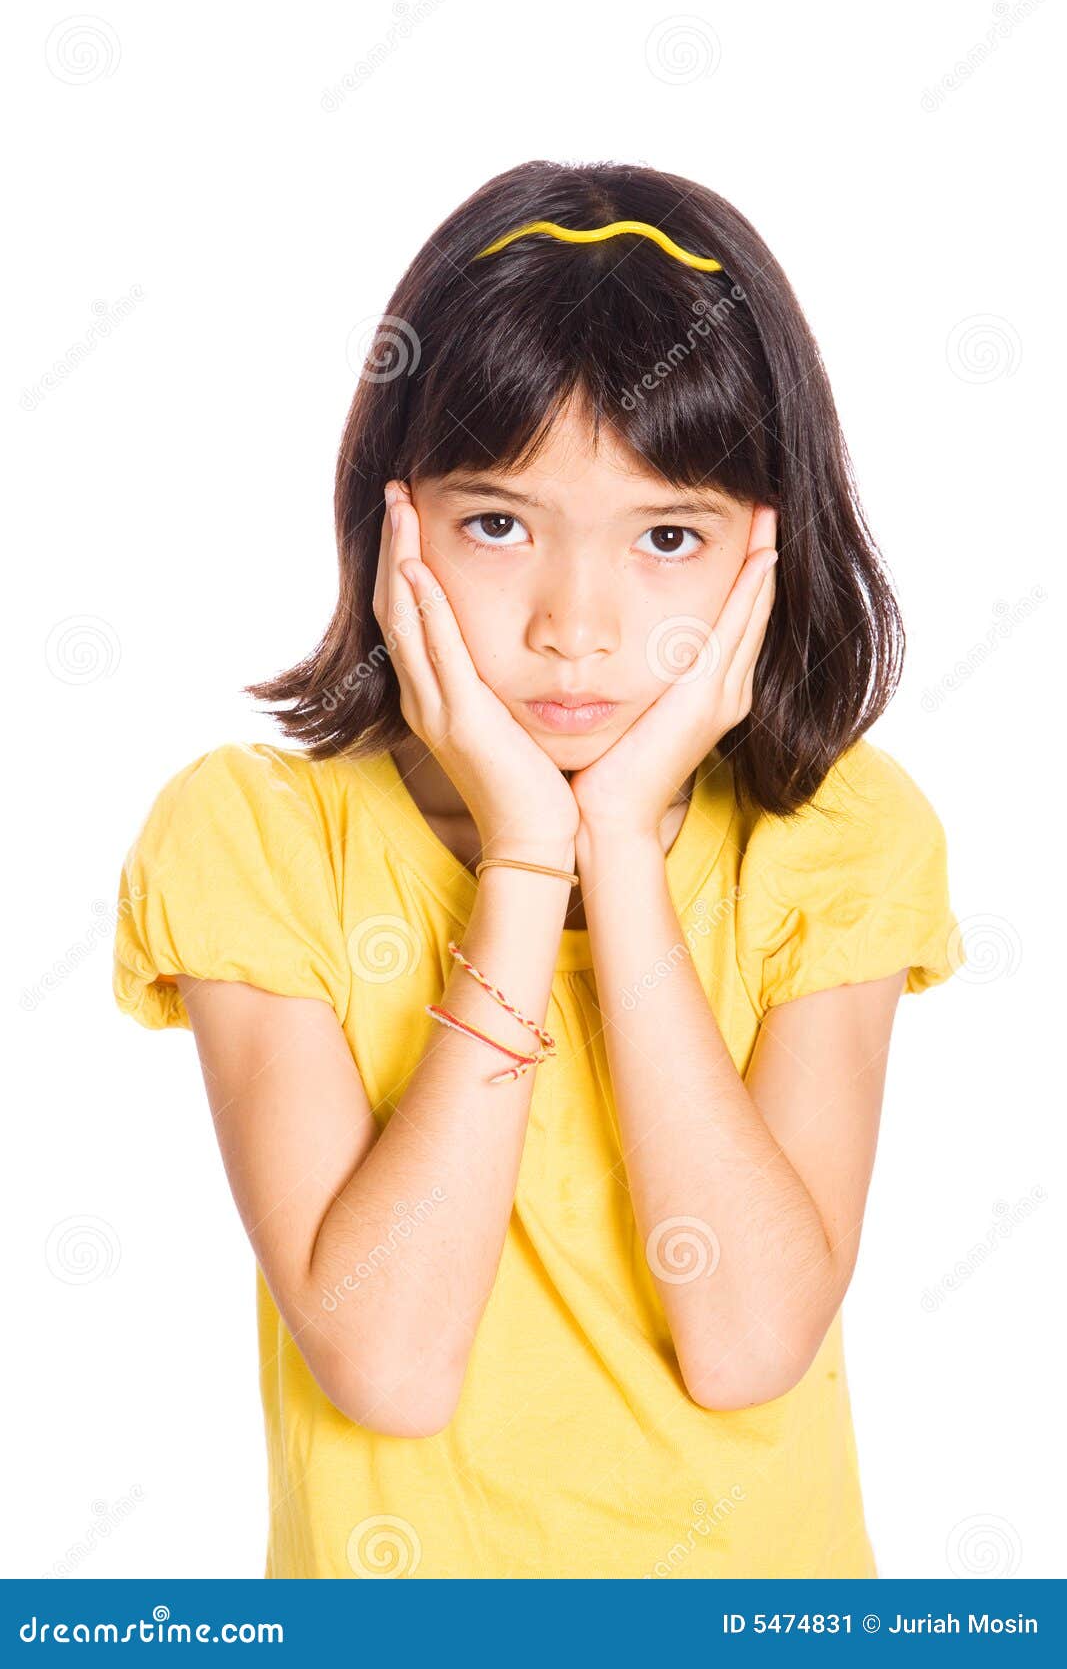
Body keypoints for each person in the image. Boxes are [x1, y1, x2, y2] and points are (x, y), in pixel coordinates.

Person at [112, 159, 964, 1579]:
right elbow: (388, 1364)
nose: (578, 625)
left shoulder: (839, 833)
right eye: (499, 524)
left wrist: (619, 849)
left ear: (768, 550)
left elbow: (750, 1338)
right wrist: (524, 857)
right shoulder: (253, 837)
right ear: (396, 528)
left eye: (668, 536)